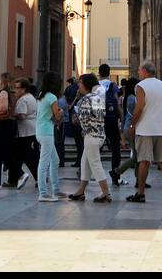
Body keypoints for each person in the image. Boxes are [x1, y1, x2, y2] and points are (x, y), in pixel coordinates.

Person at [126, 60, 162, 205]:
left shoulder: (141, 86)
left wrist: (133, 124)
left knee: (144, 161)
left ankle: (141, 193)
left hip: (145, 129)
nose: (138, 72)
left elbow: (139, 108)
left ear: (144, 71)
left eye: (139, 70)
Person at [67, 73, 112, 202]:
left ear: (86, 84)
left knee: (95, 164)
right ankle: (80, 191)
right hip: (100, 134)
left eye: (80, 83)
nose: (78, 86)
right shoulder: (97, 98)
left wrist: (81, 125)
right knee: (85, 163)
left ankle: (105, 192)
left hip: (90, 136)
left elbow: (84, 119)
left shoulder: (86, 99)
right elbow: (101, 114)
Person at [37, 71, 63, 201]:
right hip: (47, 132)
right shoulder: (52, 97)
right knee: (44, 162)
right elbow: (57, 117)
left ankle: (56, 190)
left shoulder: (41, 95)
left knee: (55, 160)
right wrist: (61, 112)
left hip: (40, 131)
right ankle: (43, 193)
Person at [97, 63, 123, 176]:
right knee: (115, 148)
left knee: (96, 148)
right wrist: (121, 118)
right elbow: (117, 103)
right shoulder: (113, 85)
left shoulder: (96, 86)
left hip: (99, 119)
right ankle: (115, 173)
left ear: (99, 73)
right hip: (112, 119)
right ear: (109, 73)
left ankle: (87, 173)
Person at [12, 78, 38, 190]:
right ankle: (16, 177)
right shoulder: (31, 97)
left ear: (24, 89)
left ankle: (21, 176)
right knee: (25, 156)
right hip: (32, 129)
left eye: (17, 88)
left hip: (24, 131)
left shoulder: (23, 100)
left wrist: (12, 115)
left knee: (25, 156)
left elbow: (22, 115)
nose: (15, 91)